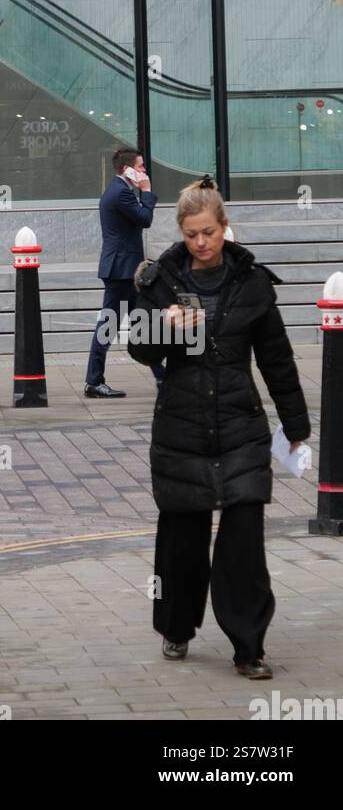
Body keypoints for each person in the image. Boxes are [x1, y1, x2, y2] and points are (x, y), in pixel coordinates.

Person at [129, 176, 310, 679]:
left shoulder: (251, 283)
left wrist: (295, 424)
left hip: (241, 428)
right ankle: (176, 627)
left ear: (223, 226)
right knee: (182, 540)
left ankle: (249, 647)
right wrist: (163, 327)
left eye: (208, 231)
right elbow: (139, 351)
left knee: (243, 546)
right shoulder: (159, 281)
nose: (201, 243)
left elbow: (276, 359)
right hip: (182, 428)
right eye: (191, 234)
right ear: (181, 233)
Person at [85, 146, 164, 398]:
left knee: (142, 325)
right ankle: (94, 382)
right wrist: (147, 191)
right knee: (109, 327)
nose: (144, 171)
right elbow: (145, 218)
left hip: (124, 270)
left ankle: (162, 377)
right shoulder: (121, 193)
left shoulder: (118, 190)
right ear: (127, 169)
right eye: (140, 166)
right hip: (122, 272)